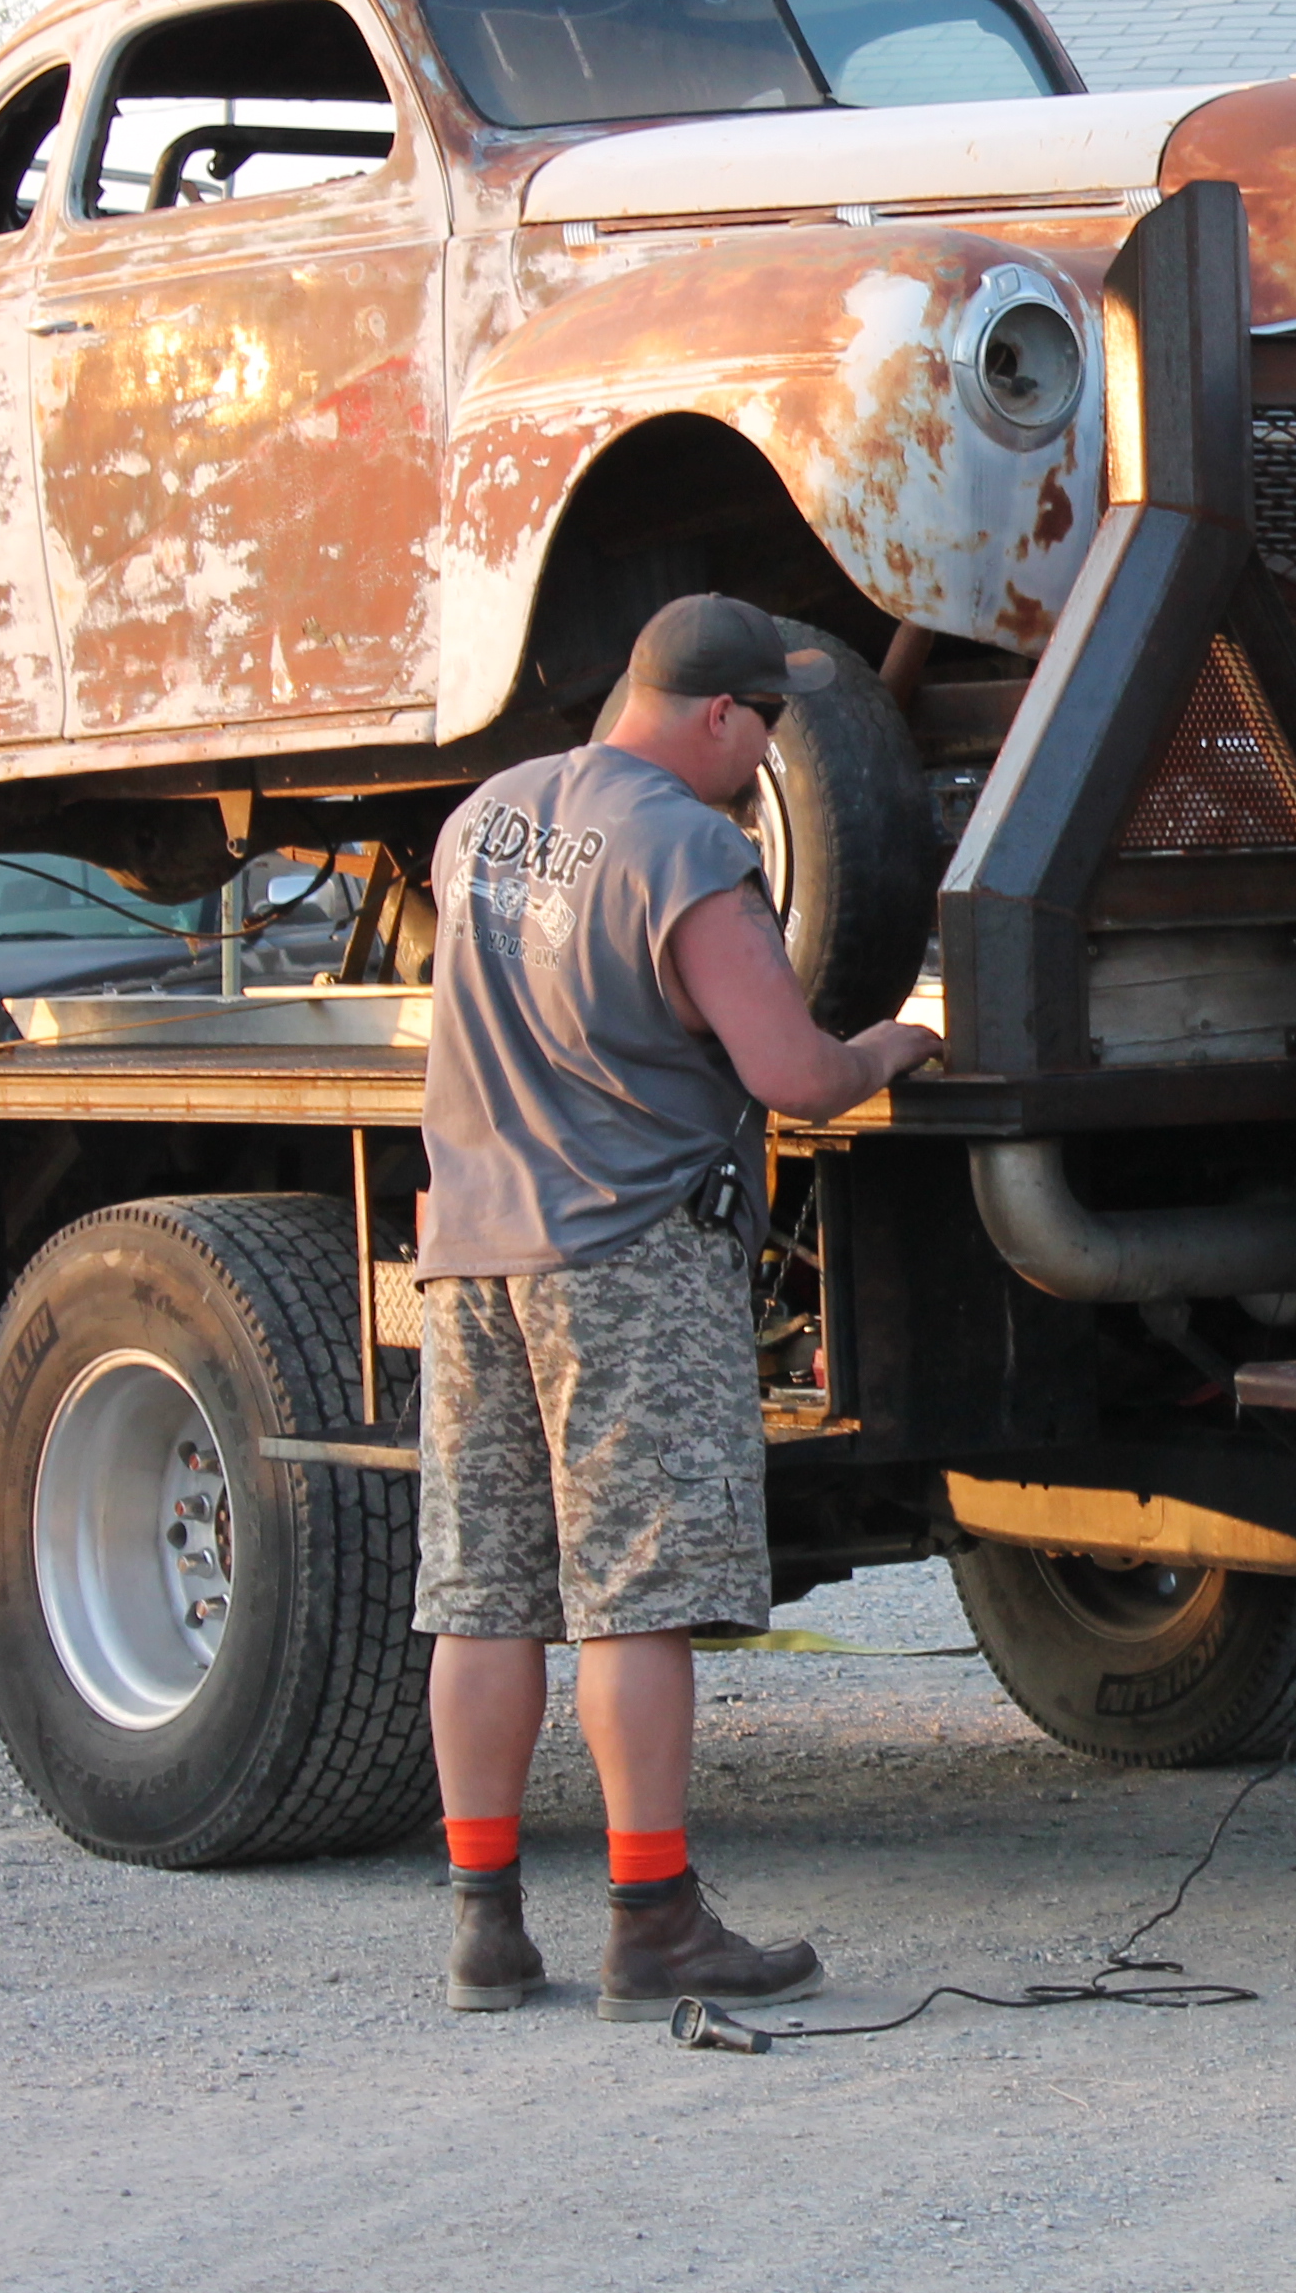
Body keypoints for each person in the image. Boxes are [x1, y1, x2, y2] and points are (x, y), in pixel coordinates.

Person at [414, 593, 946, 2020]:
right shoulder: (689, 851)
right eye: (763, 724)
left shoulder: (485, 822)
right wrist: (897, 1038)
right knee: (632, 1604)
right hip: (623, 1262)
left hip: (470, 1254)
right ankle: (652, 1923)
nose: (765, 751)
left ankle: (485, 1926)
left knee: (486, 1597)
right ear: (716, 716)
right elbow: (794, 1076)